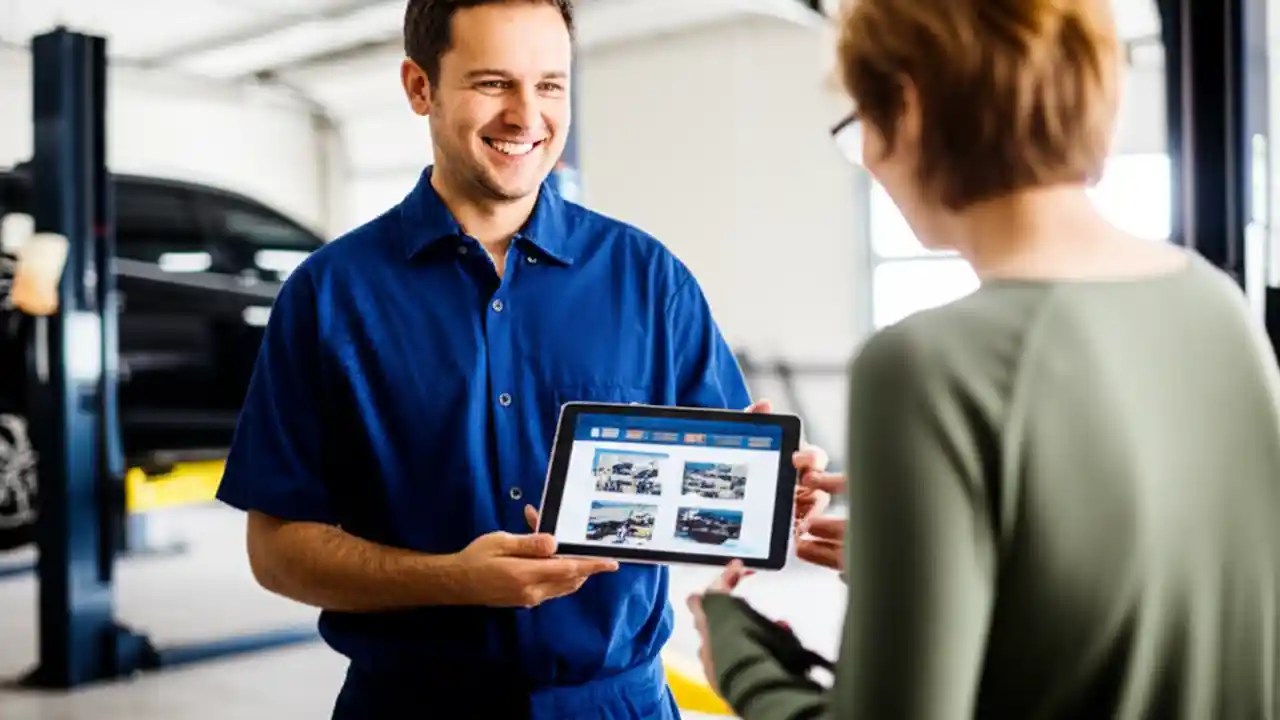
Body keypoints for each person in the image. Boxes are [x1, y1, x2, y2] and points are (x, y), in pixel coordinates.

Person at [215, 0, 829, 717]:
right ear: (420, 87)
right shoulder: (329, 295)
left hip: (614, 704)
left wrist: (773, 496)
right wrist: (454, 578)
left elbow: (716, 501)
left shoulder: (649, 280)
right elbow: (278, 550)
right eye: (492, 83)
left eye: (549, 85)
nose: (525, 115)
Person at [689, 0, 1280, 717]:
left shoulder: (925, 367)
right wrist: (916, 578)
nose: (870, 160)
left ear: (905, 108)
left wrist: (741, 657)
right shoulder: (1215, 307)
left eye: (859, 128)